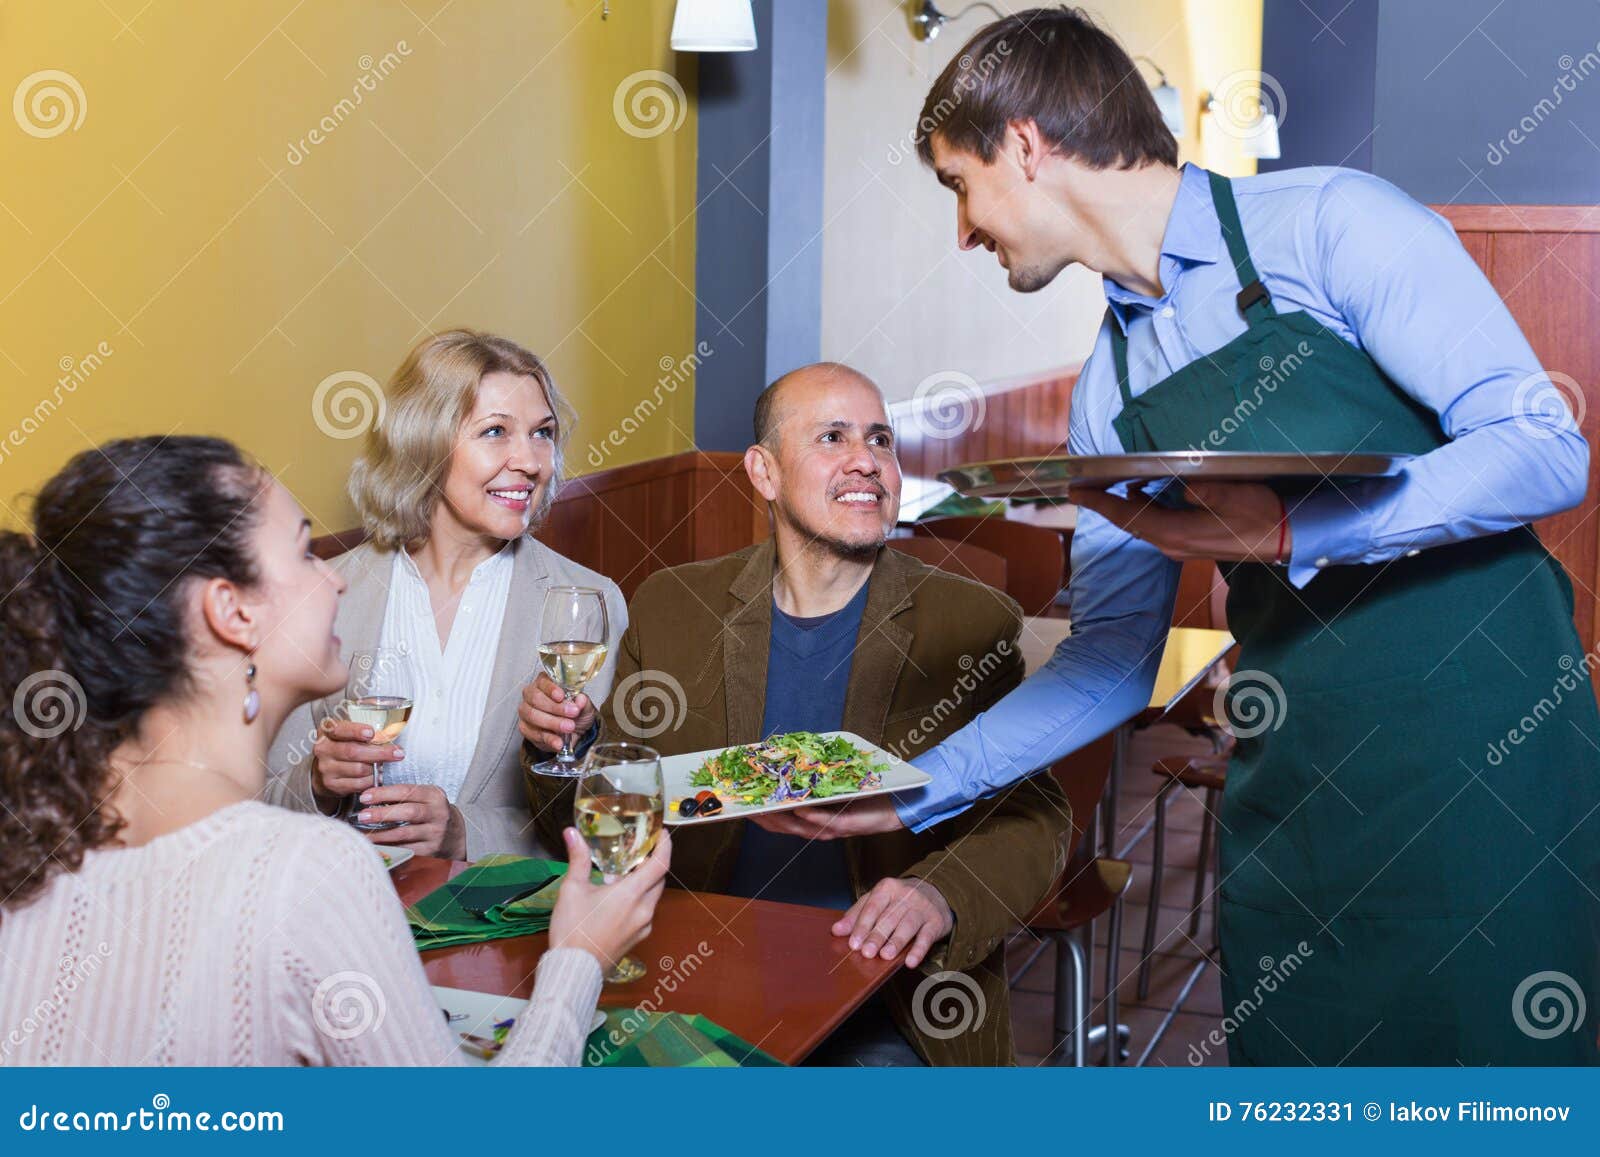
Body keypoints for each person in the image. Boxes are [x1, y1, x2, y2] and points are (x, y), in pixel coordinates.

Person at [764, 7, 1600, 1065]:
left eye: (956, 185)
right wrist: (917, 780)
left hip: (1480, 741)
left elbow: (1542, 451)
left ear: (1024, 142)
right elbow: (1113, 661)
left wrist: (1296, 529)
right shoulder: (1104, 395)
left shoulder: (1330, 223)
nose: (963, 231)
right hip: (1297, 768)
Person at [0, 436, 668, 1065]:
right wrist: (579, 953)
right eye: (302, 552)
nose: (336, 578)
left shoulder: (35, 830)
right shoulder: (306, 871)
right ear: (232, 611)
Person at [521, 362, 1071, 1066]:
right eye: (832, 437)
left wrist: (940, 896)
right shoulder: (673, 606)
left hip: (884, 1003)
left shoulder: (969, 622)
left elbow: (1037, 816)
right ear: (765, 472)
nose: (866, 461)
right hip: (690, 976)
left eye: (880, 439)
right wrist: (568, 742)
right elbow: (594, 819)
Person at [266, 330, 626, 860]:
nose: (530, 461)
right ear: (425, 443)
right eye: (496, 431)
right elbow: (255, 806)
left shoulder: (588, 604)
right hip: (345, 910)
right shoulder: (324, 595)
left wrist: (465, 836)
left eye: (543, 432)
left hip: (508, 934)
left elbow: (599, 822)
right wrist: (318, 783)